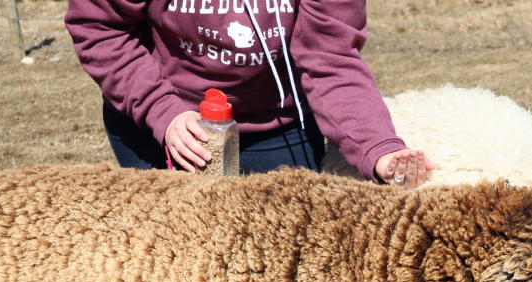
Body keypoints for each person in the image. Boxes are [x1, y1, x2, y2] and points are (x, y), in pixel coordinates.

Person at [64, 0, 433, 184]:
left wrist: (378, 149)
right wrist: (163, 111)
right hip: (163, 116)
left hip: (273, 125)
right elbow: (100, 29)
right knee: (170, 258)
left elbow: (331, 58)